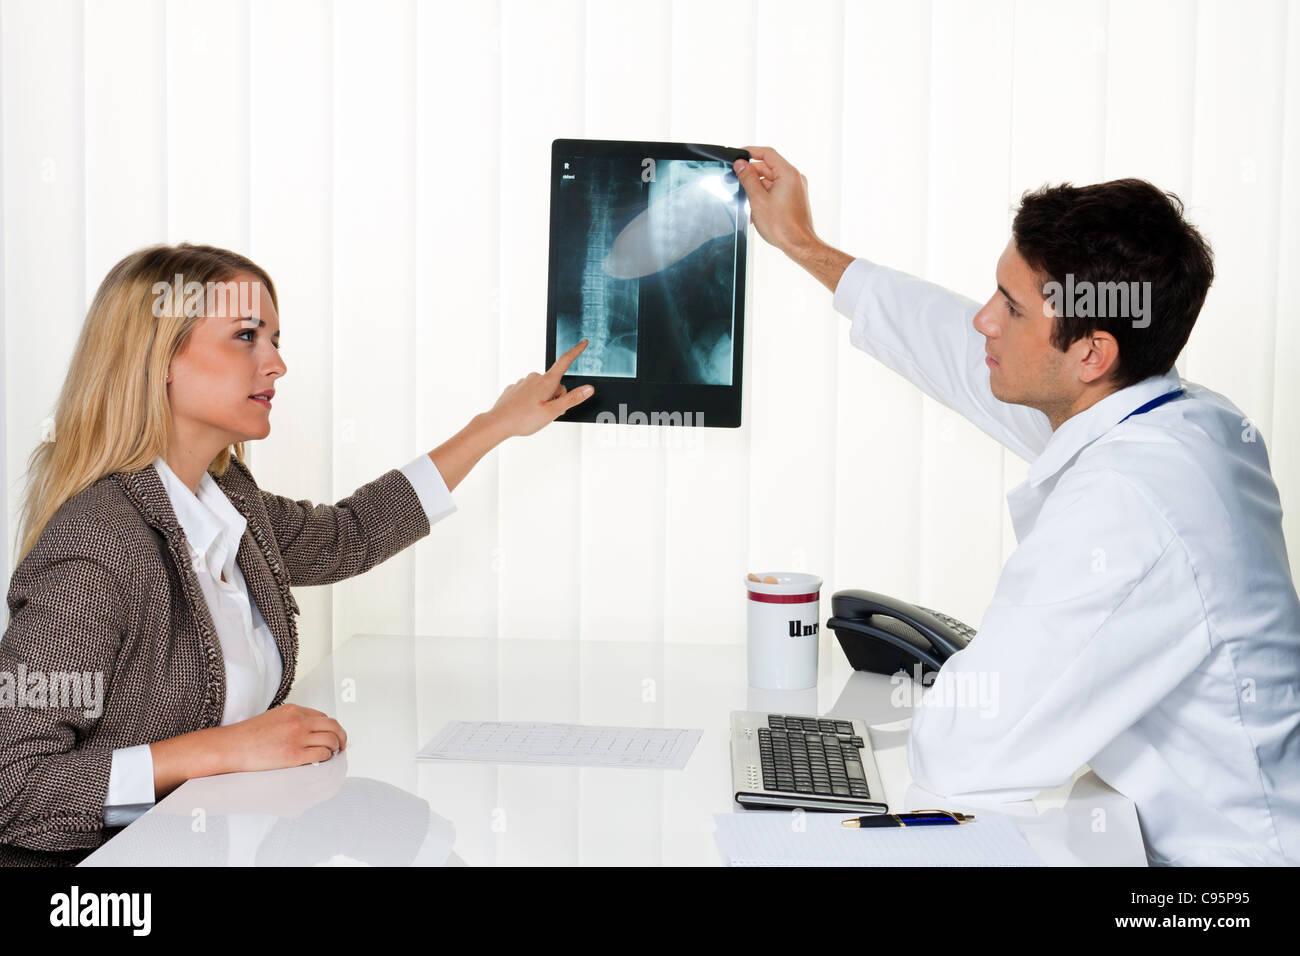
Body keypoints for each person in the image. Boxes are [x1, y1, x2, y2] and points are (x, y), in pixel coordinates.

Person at [734, 147, 1300, 866]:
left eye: (1010, 306)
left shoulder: (1128, 505)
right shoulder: (1173, 416)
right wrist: (802, 245)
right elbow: (952, 348)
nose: (982, 321)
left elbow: (963, 758)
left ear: (1092, 353)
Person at [0, 243, 594, 866]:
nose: (277, 364)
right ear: (161, 360)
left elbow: (351, 534)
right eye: (246, 337)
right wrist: (221, 749)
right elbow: (14, 789)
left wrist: (495, 425)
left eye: (275, 339)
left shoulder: (227, 499)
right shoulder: (93, 549)